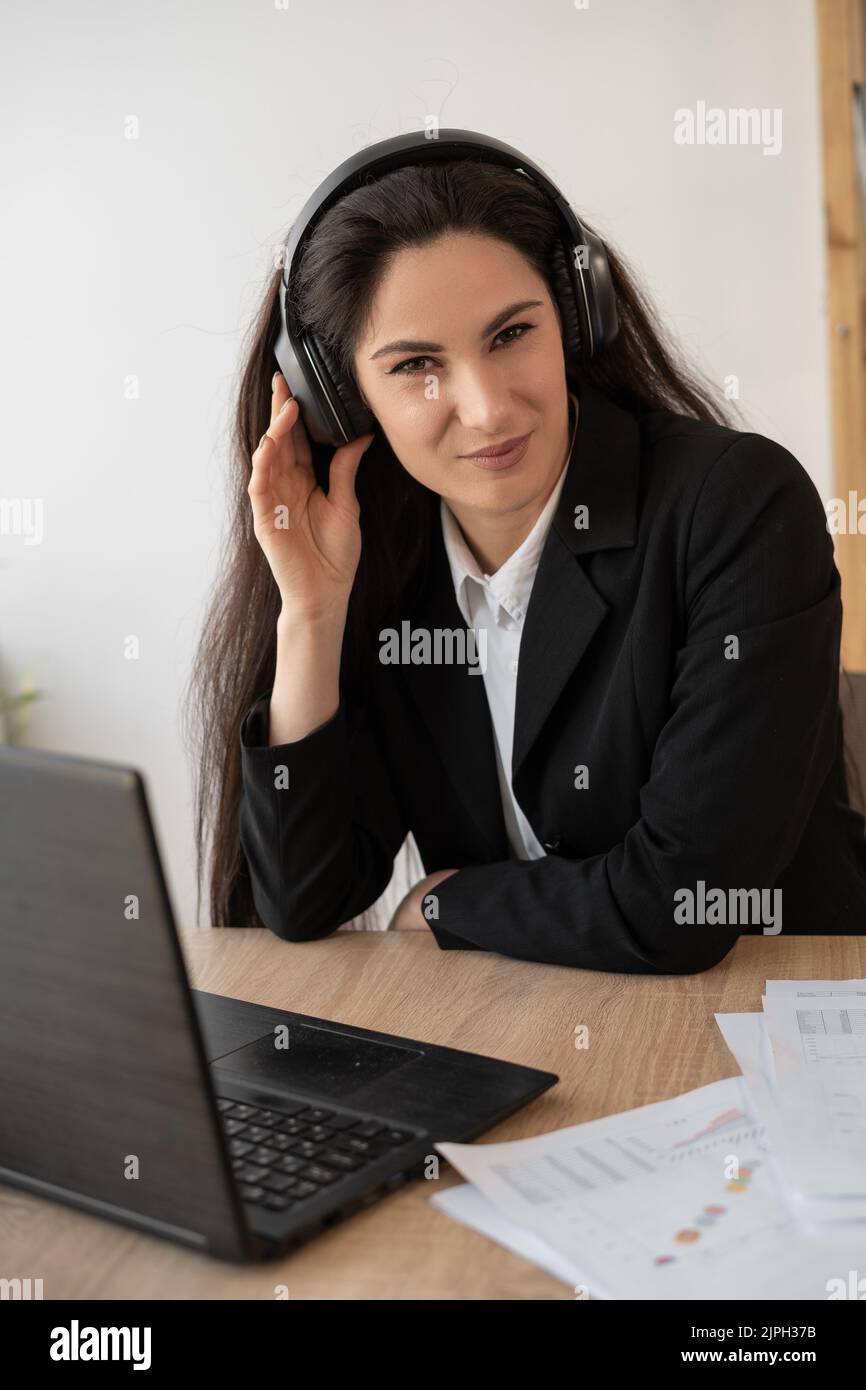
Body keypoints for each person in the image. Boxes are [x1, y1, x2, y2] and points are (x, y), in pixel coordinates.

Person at [185, 154, 866, 973]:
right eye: (416, 366)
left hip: (768, 1013)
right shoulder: (384, 554)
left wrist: (439, 903)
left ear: (577, 319)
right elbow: (301, 898)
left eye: (511, 335)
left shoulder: (737, 507)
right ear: (340, 398)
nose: (487, 408)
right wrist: (312, 613)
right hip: (529, 1020)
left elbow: (684, 903)